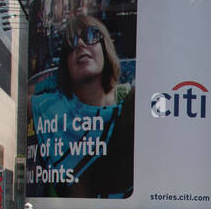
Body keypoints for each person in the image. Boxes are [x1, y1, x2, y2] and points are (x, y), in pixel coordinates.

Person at [28, 12, 135, 199]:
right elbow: (24, 97)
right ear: (65, 62)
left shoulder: (132, 101)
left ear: (106, 46)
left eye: (91, 36)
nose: (79, 44)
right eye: (70, 43)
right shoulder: (50, 107)